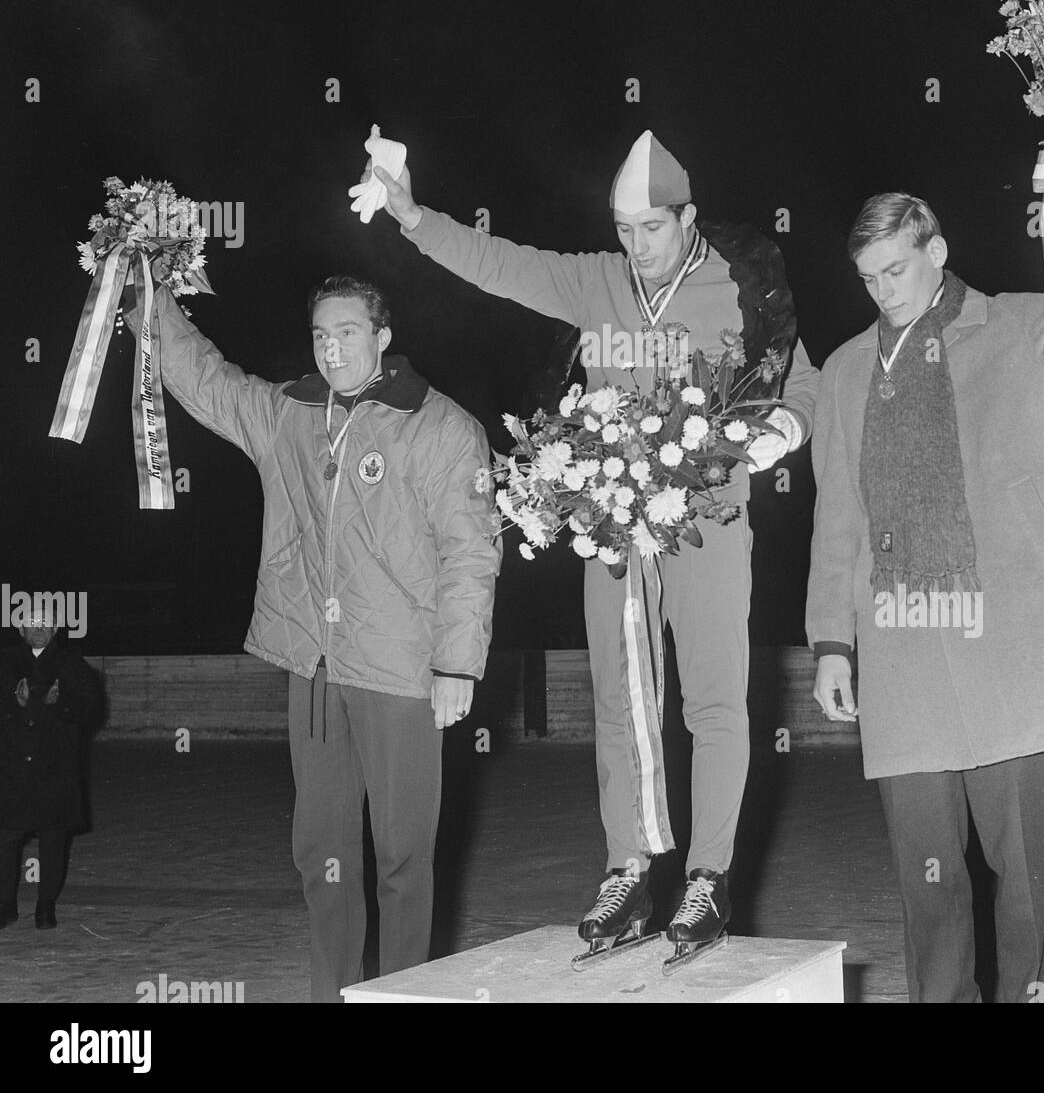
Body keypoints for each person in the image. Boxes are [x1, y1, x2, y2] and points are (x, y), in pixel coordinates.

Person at [364, 128, 819, 962]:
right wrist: (411, 215)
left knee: (714, 700)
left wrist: (783, 426)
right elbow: (499, 263)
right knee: (618, 700)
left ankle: (709, 880)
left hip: (709, 516)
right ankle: (628, 867)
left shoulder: (740, 281)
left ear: (688, 218)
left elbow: (802, 375)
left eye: (651, 227)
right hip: (613, 527)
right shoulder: (596, 281)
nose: (637, 246)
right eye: (623, 228)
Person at [807, 178, 1044, 1003]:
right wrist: (830, 640)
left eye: (897, 269)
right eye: (869, 277)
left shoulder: (1030, 324)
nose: (883, 290)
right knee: (928, 887)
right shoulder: (846, 370)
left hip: (1015, 645)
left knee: (1027, 875)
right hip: (903, 651)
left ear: (938, 251)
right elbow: (837, 518)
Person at [124, 275, 501, 1001]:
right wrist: (147, 299)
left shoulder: (440, 426)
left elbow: (472, 553)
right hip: (318, 669)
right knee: (321, 852)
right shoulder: (290, 414)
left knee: (401, 857)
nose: (332, 349)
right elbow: (207, 380)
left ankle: (403, 993)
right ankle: (331, 992)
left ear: (383, 335)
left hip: (401, 674)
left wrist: (457, 663)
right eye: (321, 336)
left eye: (349, 333)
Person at [0, 616, 104, 932]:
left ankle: (46, 906)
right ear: (20, 630)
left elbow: (92, 711)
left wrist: (58, 705)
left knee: (53, 843)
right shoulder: (4, 662)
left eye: (45, 625)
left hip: (55, 770)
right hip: (11, 770)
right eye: (31, 625)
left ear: (56, 630)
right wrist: (12, 703)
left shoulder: (73, 666)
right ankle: (5, 905)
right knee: (5, 840)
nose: (39, 630)